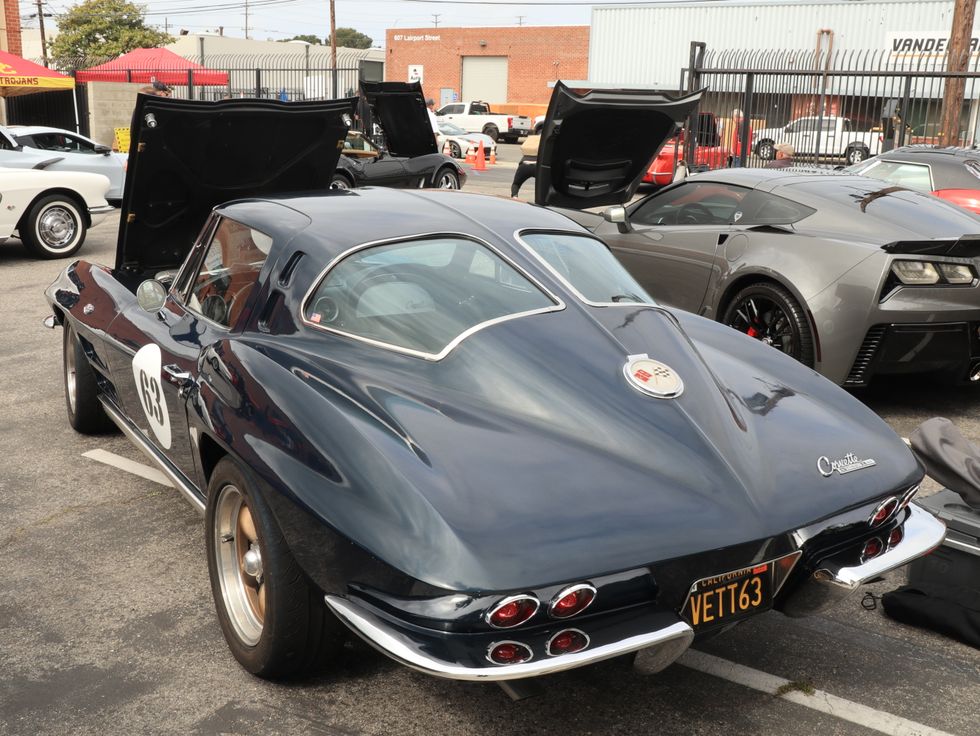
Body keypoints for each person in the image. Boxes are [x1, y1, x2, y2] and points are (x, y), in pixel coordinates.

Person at [511, 134, 539, 198]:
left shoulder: (530, 141)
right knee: (541, 185)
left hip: (524, 164)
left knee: (516, 184)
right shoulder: (544, 141)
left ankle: (514, 197)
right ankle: (540, 200)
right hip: (537, 166)